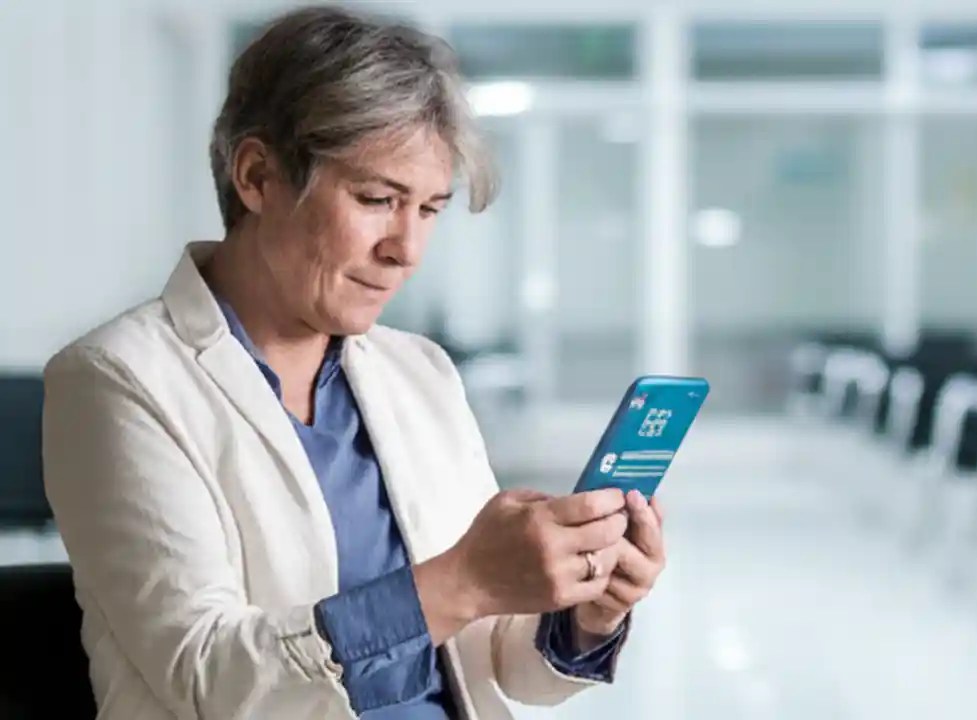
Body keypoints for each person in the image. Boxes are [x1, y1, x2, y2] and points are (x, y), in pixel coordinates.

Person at [40, 6, 667, 719]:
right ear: (257, 176)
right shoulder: (117, 381)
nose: (407, 248)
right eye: (377, 199)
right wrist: (461, 580)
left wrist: (585, 612)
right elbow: (205, 678)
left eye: (429, 209)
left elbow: (491, 661)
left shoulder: (419, 373)